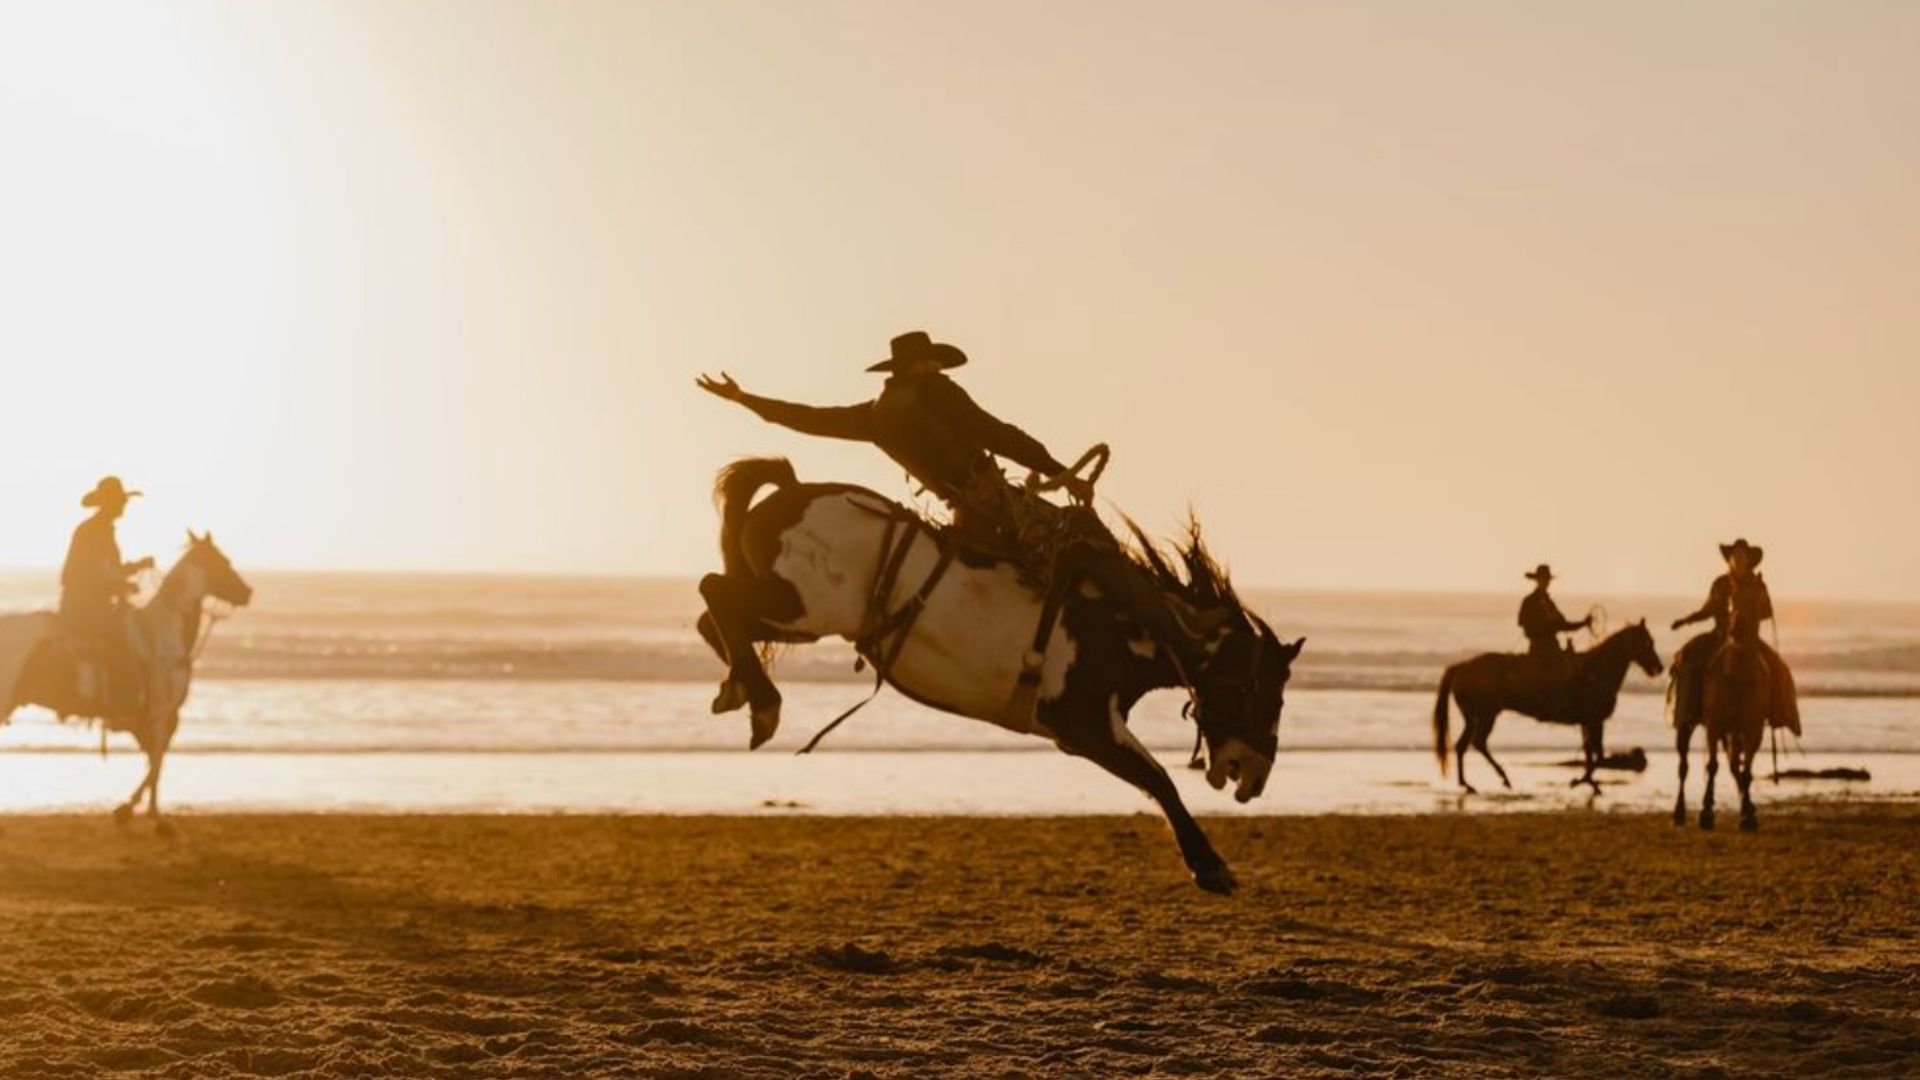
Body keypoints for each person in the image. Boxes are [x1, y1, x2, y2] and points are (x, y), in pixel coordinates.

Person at [698, 331, 1206, 676]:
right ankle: (1181, 638)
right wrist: (1058, 471)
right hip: (994, 503)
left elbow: (805, 417)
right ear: (922, 365)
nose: (934, 367)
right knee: (1091, 546)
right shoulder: (936, 393)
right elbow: (998, 433)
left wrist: (745, 399)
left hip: (962, 515)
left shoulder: (875, 415)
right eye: (931, 361)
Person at [1670, 538, 1800, 735]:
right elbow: (1708, 609)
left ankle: (1780, 714)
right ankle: (1688, 711)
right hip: (1719, 635)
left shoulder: (1757, 585)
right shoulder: (1721, 584)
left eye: (1742, 557)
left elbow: (1767, 612)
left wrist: (1759, 597)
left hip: (1749, 639)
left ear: (1749, 561)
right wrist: (1686, 620)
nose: (1738, 560)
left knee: (1778, 667)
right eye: (1735, 556)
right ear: (1729, 560)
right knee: (1688, 658)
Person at [59, 476, 153, 710]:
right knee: (122, 640)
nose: (123, 506)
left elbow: (107, 570)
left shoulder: (99, 529)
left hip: (88, 599)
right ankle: (116, 699)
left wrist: (135, 568)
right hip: (85, 604)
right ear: (109, 503)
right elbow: (97, 574)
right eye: (120, 501)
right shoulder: (95, 531)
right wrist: (121, 584)